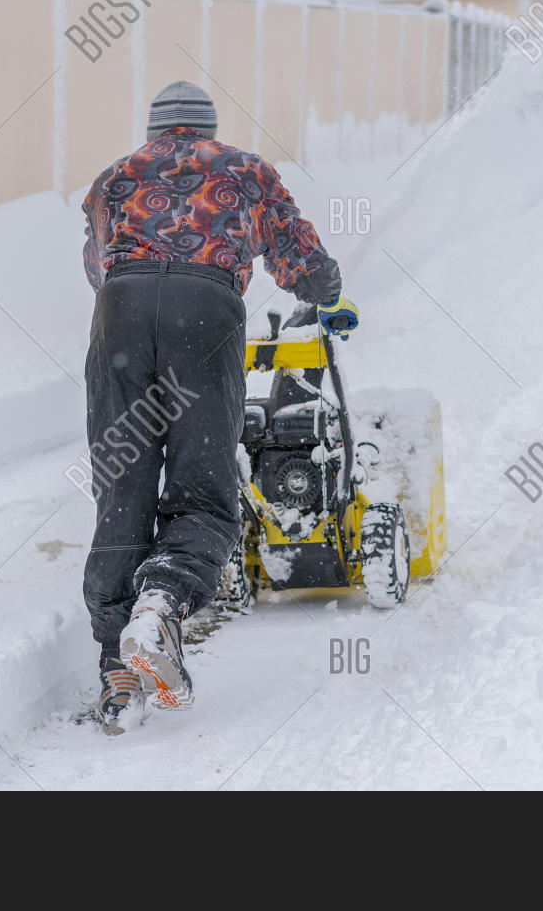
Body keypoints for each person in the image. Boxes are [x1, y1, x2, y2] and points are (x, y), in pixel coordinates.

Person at [79, 80, 358, 733]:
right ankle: (161, 602)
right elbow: (300, 257)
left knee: (123, 483)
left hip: (118, 314)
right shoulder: (244, 171)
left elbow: (95, 266)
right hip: (205, 315)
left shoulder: (114, 178)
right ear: (207, 128)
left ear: (155, 131)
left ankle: (116, 674)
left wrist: (138, 284)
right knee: (202, 482)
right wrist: (325, 291)